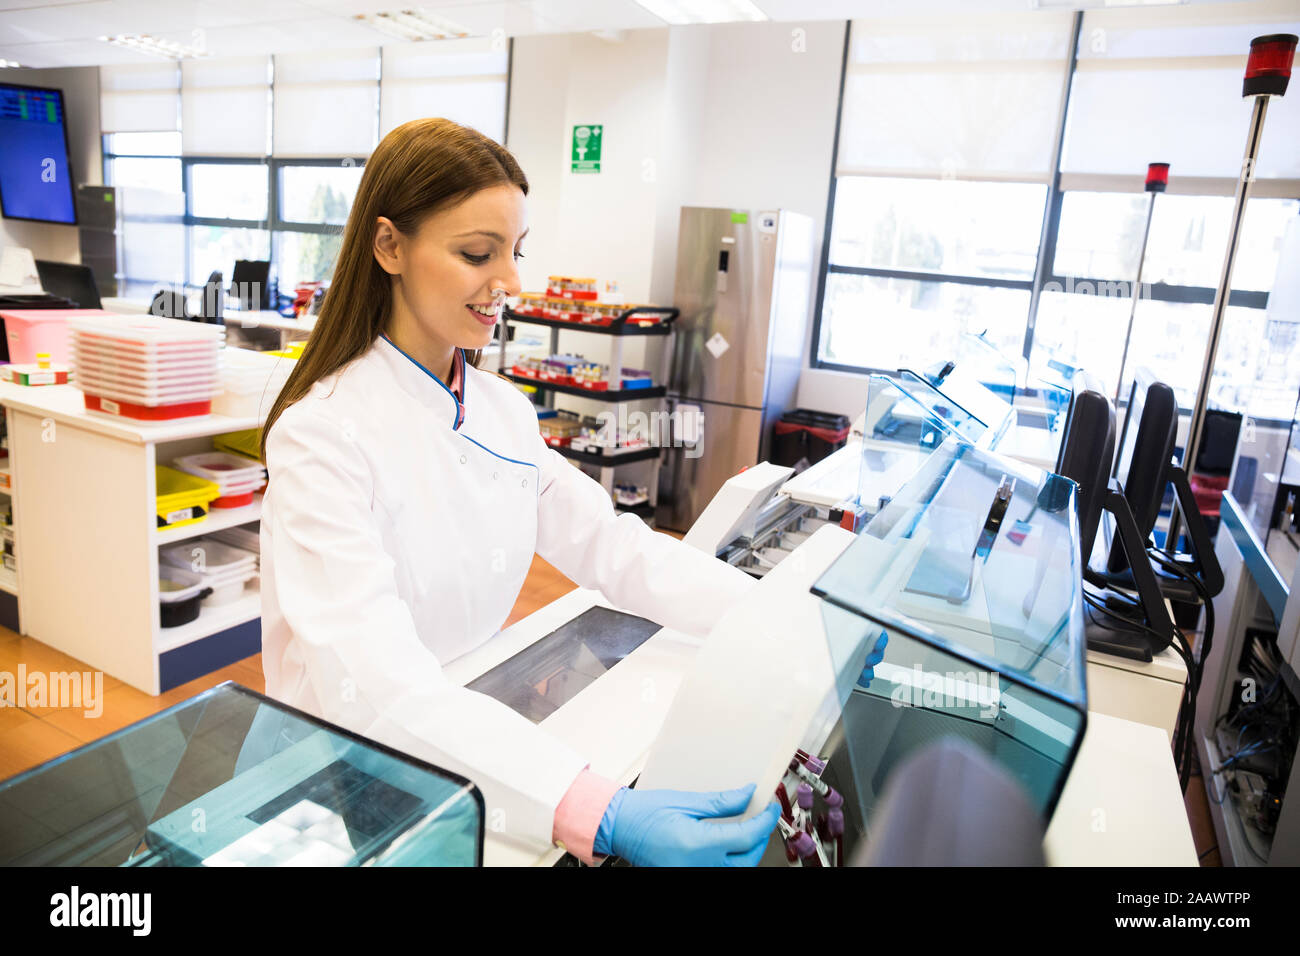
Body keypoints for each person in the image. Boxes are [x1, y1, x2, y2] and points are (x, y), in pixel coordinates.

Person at [258, 117, 780, 866]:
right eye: (478, 254)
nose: (511, 283)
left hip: (472, 740)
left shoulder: (500, 410)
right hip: (339, 778)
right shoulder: (322, 436)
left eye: (516, 251)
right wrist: (598, 811)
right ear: (389, 247)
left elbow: (615, 548)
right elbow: (375, 687)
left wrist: (780, 620)